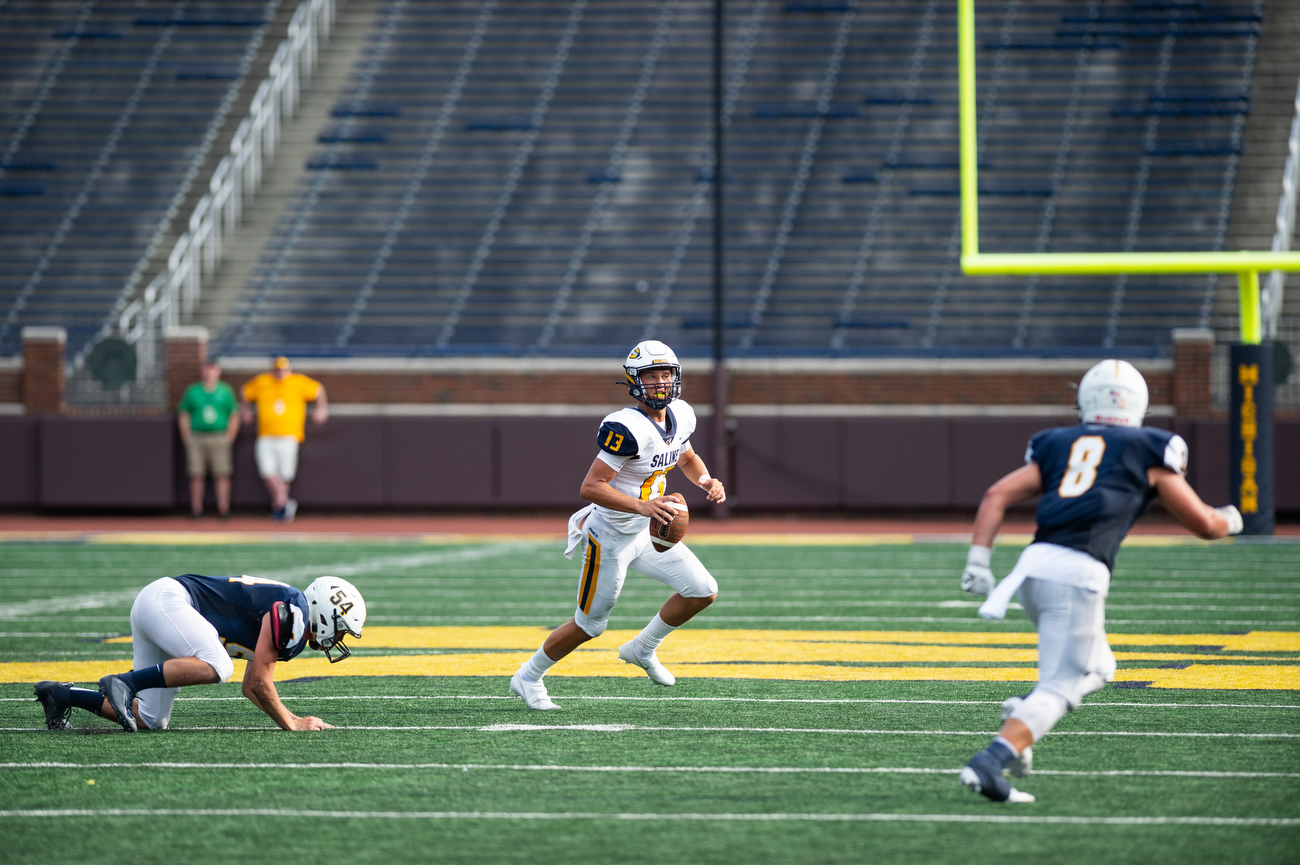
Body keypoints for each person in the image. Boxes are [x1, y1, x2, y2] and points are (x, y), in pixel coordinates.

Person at [956, 359, 1243, 803]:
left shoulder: (1058, 441)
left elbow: (997, 494)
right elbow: (1204, 524)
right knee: (1062, 686)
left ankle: (1026, 713)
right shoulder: (1150, 446)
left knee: (1101, 667)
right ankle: (991, 761)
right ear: (1139, 403)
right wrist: (1233, 520)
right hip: (1077, 575)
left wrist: (978, 561)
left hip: (1032, 570)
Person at [509, 340, 727, 711]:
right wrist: (644, 506)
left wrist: (705, 479)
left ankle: (643, 648)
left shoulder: (681, 414)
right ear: (634, 381)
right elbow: (590, 488)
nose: (660, 383)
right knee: (589, 625)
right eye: (652, 376)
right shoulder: (624, 427)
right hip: (609, 537)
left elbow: (685, 455)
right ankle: (527, 677)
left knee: (702, 590)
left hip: (646, 529)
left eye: (665, 375)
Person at [34, 574, 365, 732]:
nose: (338, 638)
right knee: (218, 664)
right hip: (168, 602)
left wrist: (288, 718)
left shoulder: (292, 618)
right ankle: (124, 681)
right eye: (340, 628)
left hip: (162, 609)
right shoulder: (293, 613)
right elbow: (262, 684)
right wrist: (292, 724)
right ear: (324, 615)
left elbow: (253, 687)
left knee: (151, 719)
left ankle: (62, 696)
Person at [239, 356, 328, 522]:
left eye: (283, 369)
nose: (280, 373)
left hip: (289, 435)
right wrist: (245, 410)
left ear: (288, 369)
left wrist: (322, 409)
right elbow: (245, 392)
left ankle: (279, 507)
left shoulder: (298, 382)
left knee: (285, 474)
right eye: (277, 370)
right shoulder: (262, 381)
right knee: (267, 471)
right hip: (266, 435)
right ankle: (285, 502)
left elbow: (318, 390)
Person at [177, 358, 239, 519]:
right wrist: (186, 435)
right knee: (196, 474)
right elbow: (184, 413)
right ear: (202, 371)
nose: (210, 372)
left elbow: (234, 414)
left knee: (222, 474)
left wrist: (230, 435)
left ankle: (223, 509)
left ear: (218, 371)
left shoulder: (226, 391)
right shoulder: (193, 391)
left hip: (219, 437)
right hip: (197, 437)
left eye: (213, 369)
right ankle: (196, 509)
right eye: (207, 368)